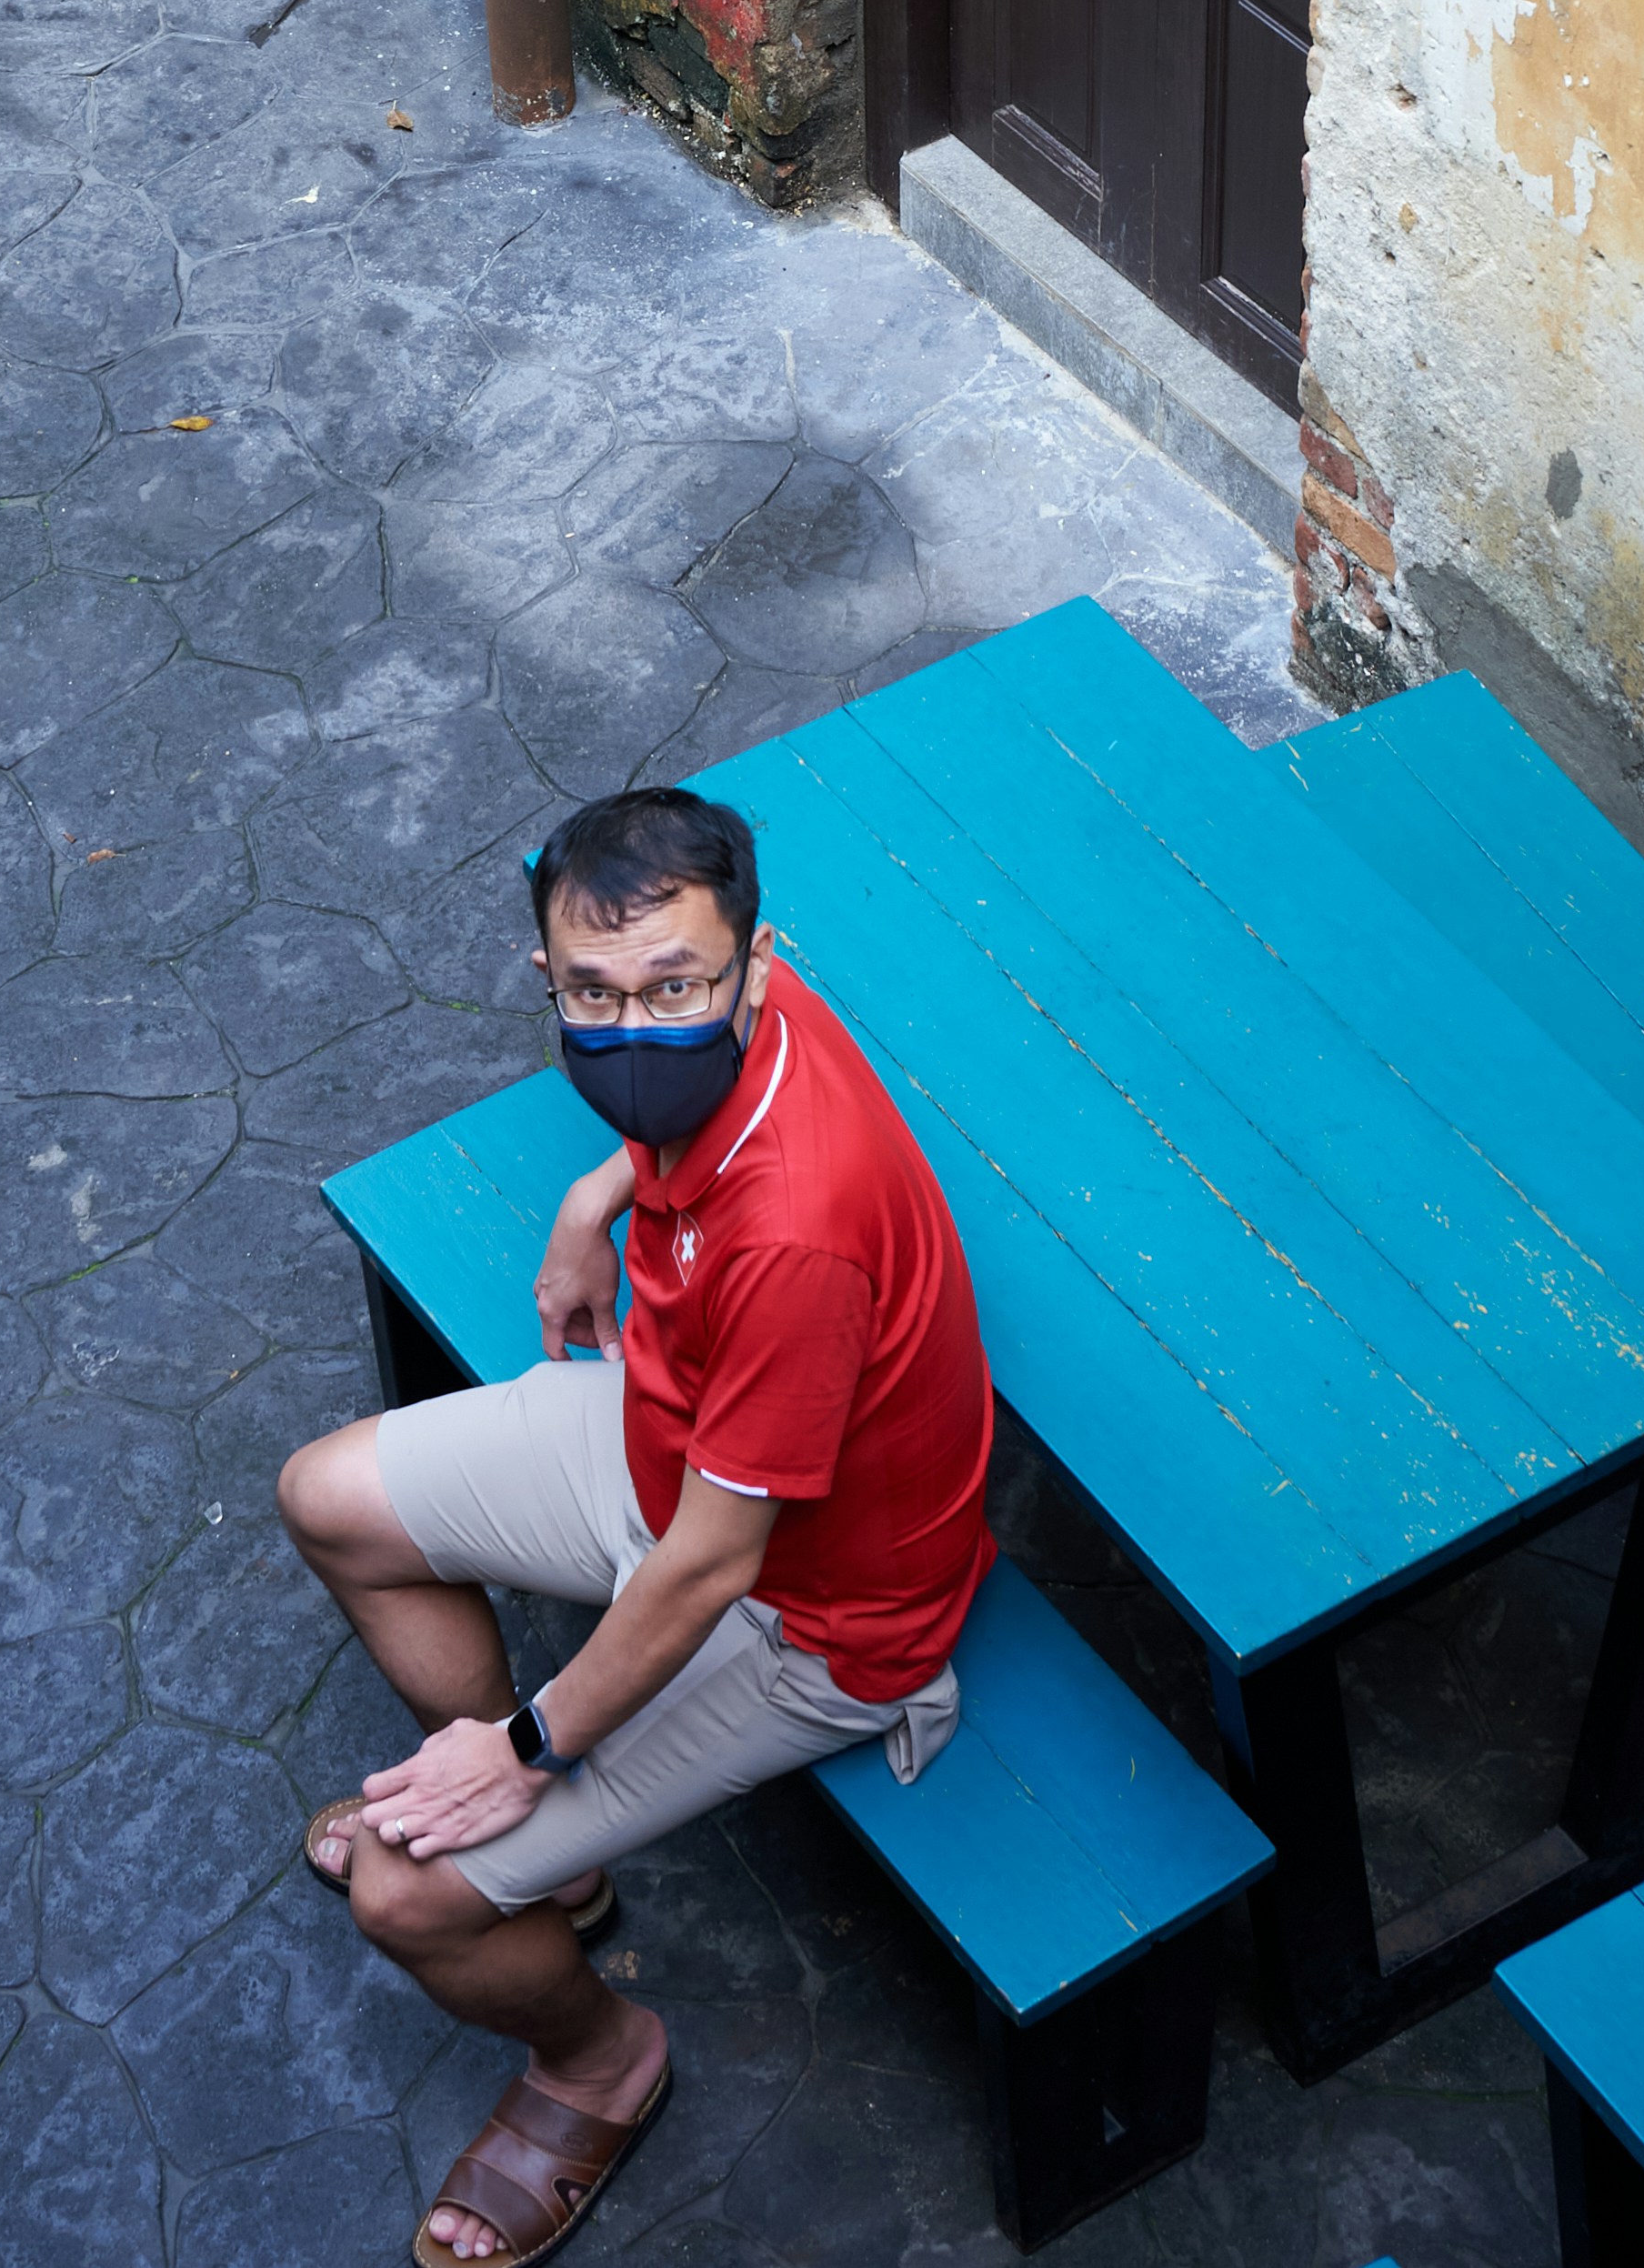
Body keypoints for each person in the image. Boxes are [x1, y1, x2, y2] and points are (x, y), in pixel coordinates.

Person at [278, 788, 997, 2265]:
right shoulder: (742, 983)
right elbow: (662, 1091)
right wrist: (590, 1193)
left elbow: (713, 1568)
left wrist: (528, 1739)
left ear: (748, 957)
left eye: (674, 988)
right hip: (680, 1436)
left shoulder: (795, 1237)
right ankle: (543, 1860)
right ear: (546, 965)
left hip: (809, 1612)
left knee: (406, 1899)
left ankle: (596, 2059)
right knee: (327, 1496)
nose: (633, 1026)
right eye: (592, 993)